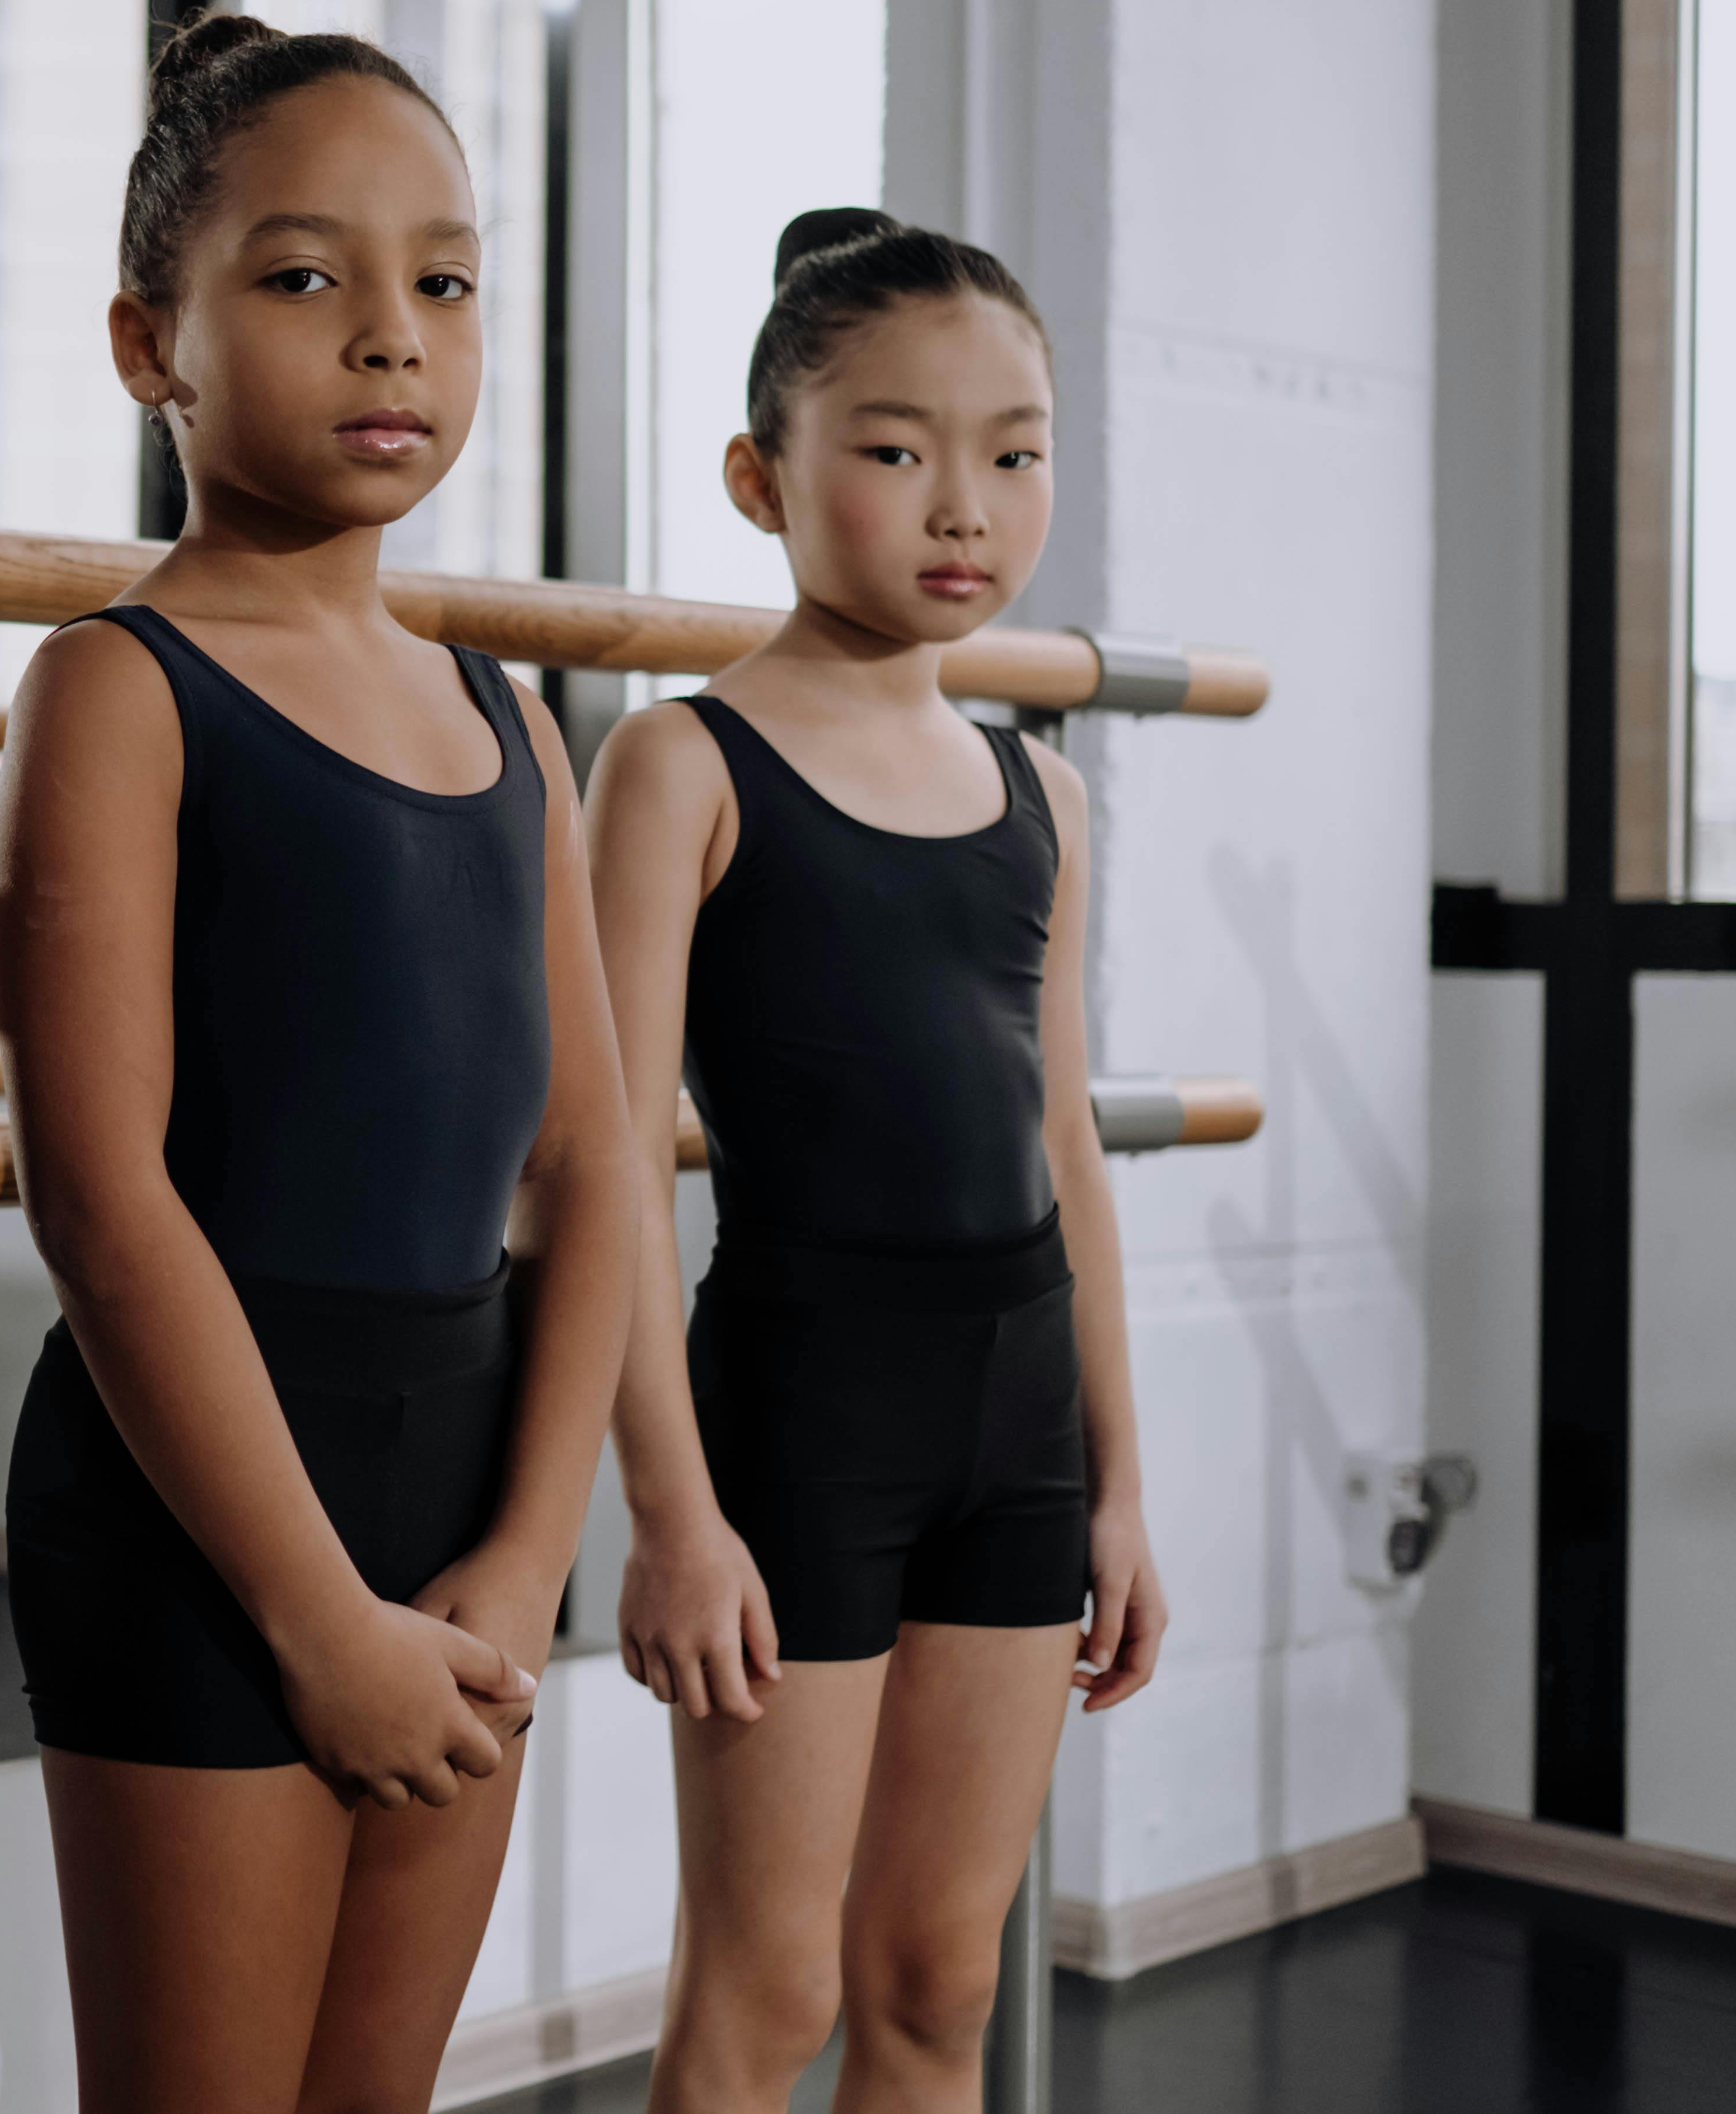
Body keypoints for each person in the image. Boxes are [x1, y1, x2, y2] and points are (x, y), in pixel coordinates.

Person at [0, 12, 638, 2114]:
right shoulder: (114, 692)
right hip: (202, 1507)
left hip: (464, 1500)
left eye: (440, 282)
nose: (391, 339)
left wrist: (531, 1552)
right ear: (145, 343)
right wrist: (314, 1613)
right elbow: (104, 1199)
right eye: (303, 278)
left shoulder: (511, 723)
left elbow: (590, 1170)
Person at [585, 208, 1167, 2113]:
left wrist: (1122, 1486)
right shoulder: (683, 764)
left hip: (1019, 1423)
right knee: (761, 2000)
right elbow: (601, 1160)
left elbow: (1064, 1142)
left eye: (1014, 454)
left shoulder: (1043, 796)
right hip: (798, 1422)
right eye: (899, 448)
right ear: (764, 477)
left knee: (937, 1984)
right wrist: (668, 1517)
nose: (964, 507)